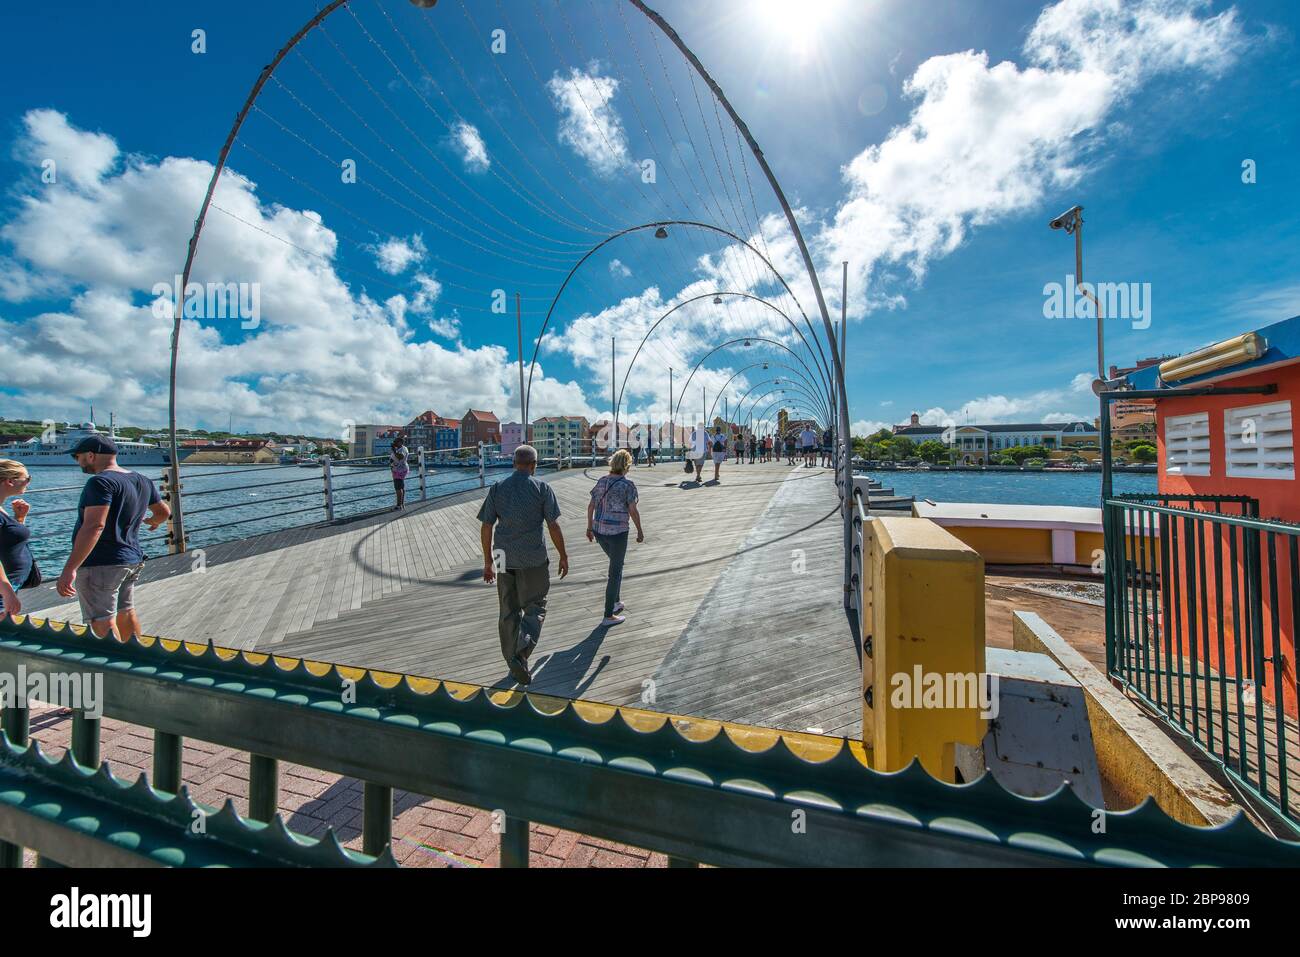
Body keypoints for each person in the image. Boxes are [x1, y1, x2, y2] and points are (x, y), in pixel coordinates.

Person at [56, 436, 170, 639]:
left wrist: (69, 569)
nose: (77, 461)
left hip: (101, 563)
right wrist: (152, 522)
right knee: (125, 611)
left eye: (78, 456)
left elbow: (94, 526)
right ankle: (137, 658)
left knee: (101, 619)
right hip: (131, 558)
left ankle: (117, 667)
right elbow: (163, 512)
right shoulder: (141, 480)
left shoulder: (100, 482)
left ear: (91, 455)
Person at [478, 444, 569, 686]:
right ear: (534, 465)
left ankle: (513, 663)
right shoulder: (542, 488)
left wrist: (487, 561)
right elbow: (553, 525)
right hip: (533, 558)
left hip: (502, 556)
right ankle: (521, 654)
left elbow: (486, 526)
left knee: (507, 610)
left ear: (514, 464)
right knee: (535, 606)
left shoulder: (497, 489)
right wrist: (563, 555)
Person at [587, 448, 644, 627]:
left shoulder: (602, 481)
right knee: (615, 571)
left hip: (599, 530)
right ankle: (608, 614)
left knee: (616, 565)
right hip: (618, 532)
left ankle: (617, 601)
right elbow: (633, 511)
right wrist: (640, 530)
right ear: (627, 465)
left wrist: (589, 527)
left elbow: (591, 506)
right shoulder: (628, 486)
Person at [0, 460, 36, 620]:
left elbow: (6, 540)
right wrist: (6, 591)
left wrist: (19, 519)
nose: (28, 483)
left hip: (9, 584)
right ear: (10, 481)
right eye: (27, 479)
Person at [389, 436, 410, 510]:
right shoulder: (401, 448)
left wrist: (394, 450)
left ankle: (398, 506)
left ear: (400, 442)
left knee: (398, 488)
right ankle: (402, 504)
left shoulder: (402, 449)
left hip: (399, 471)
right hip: (400, 469)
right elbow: (395, 457)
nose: (394, 443)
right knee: (401, 487)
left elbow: (400, 457)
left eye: (396, 442)